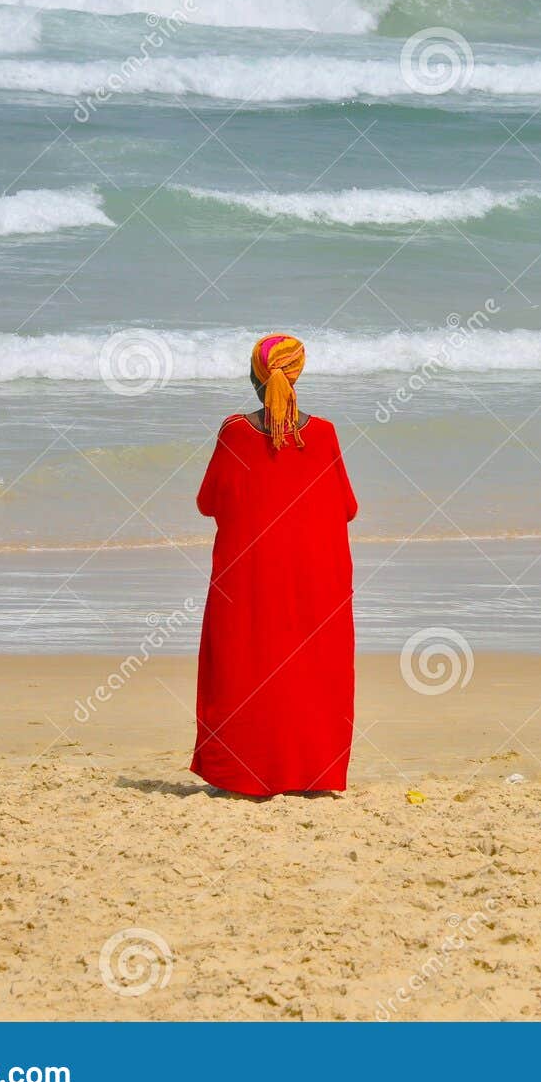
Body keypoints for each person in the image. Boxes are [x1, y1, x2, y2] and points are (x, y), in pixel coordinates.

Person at [192, 333, 358, 795]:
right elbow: (347, 506)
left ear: (254, 377)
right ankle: (312, 773)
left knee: (243, 663)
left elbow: (208, 502)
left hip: (248, 574)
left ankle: (241, 774)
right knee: (311, 668)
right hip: (315, 573)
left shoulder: (235, 432)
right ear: (299, 374)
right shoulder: (323, 433)